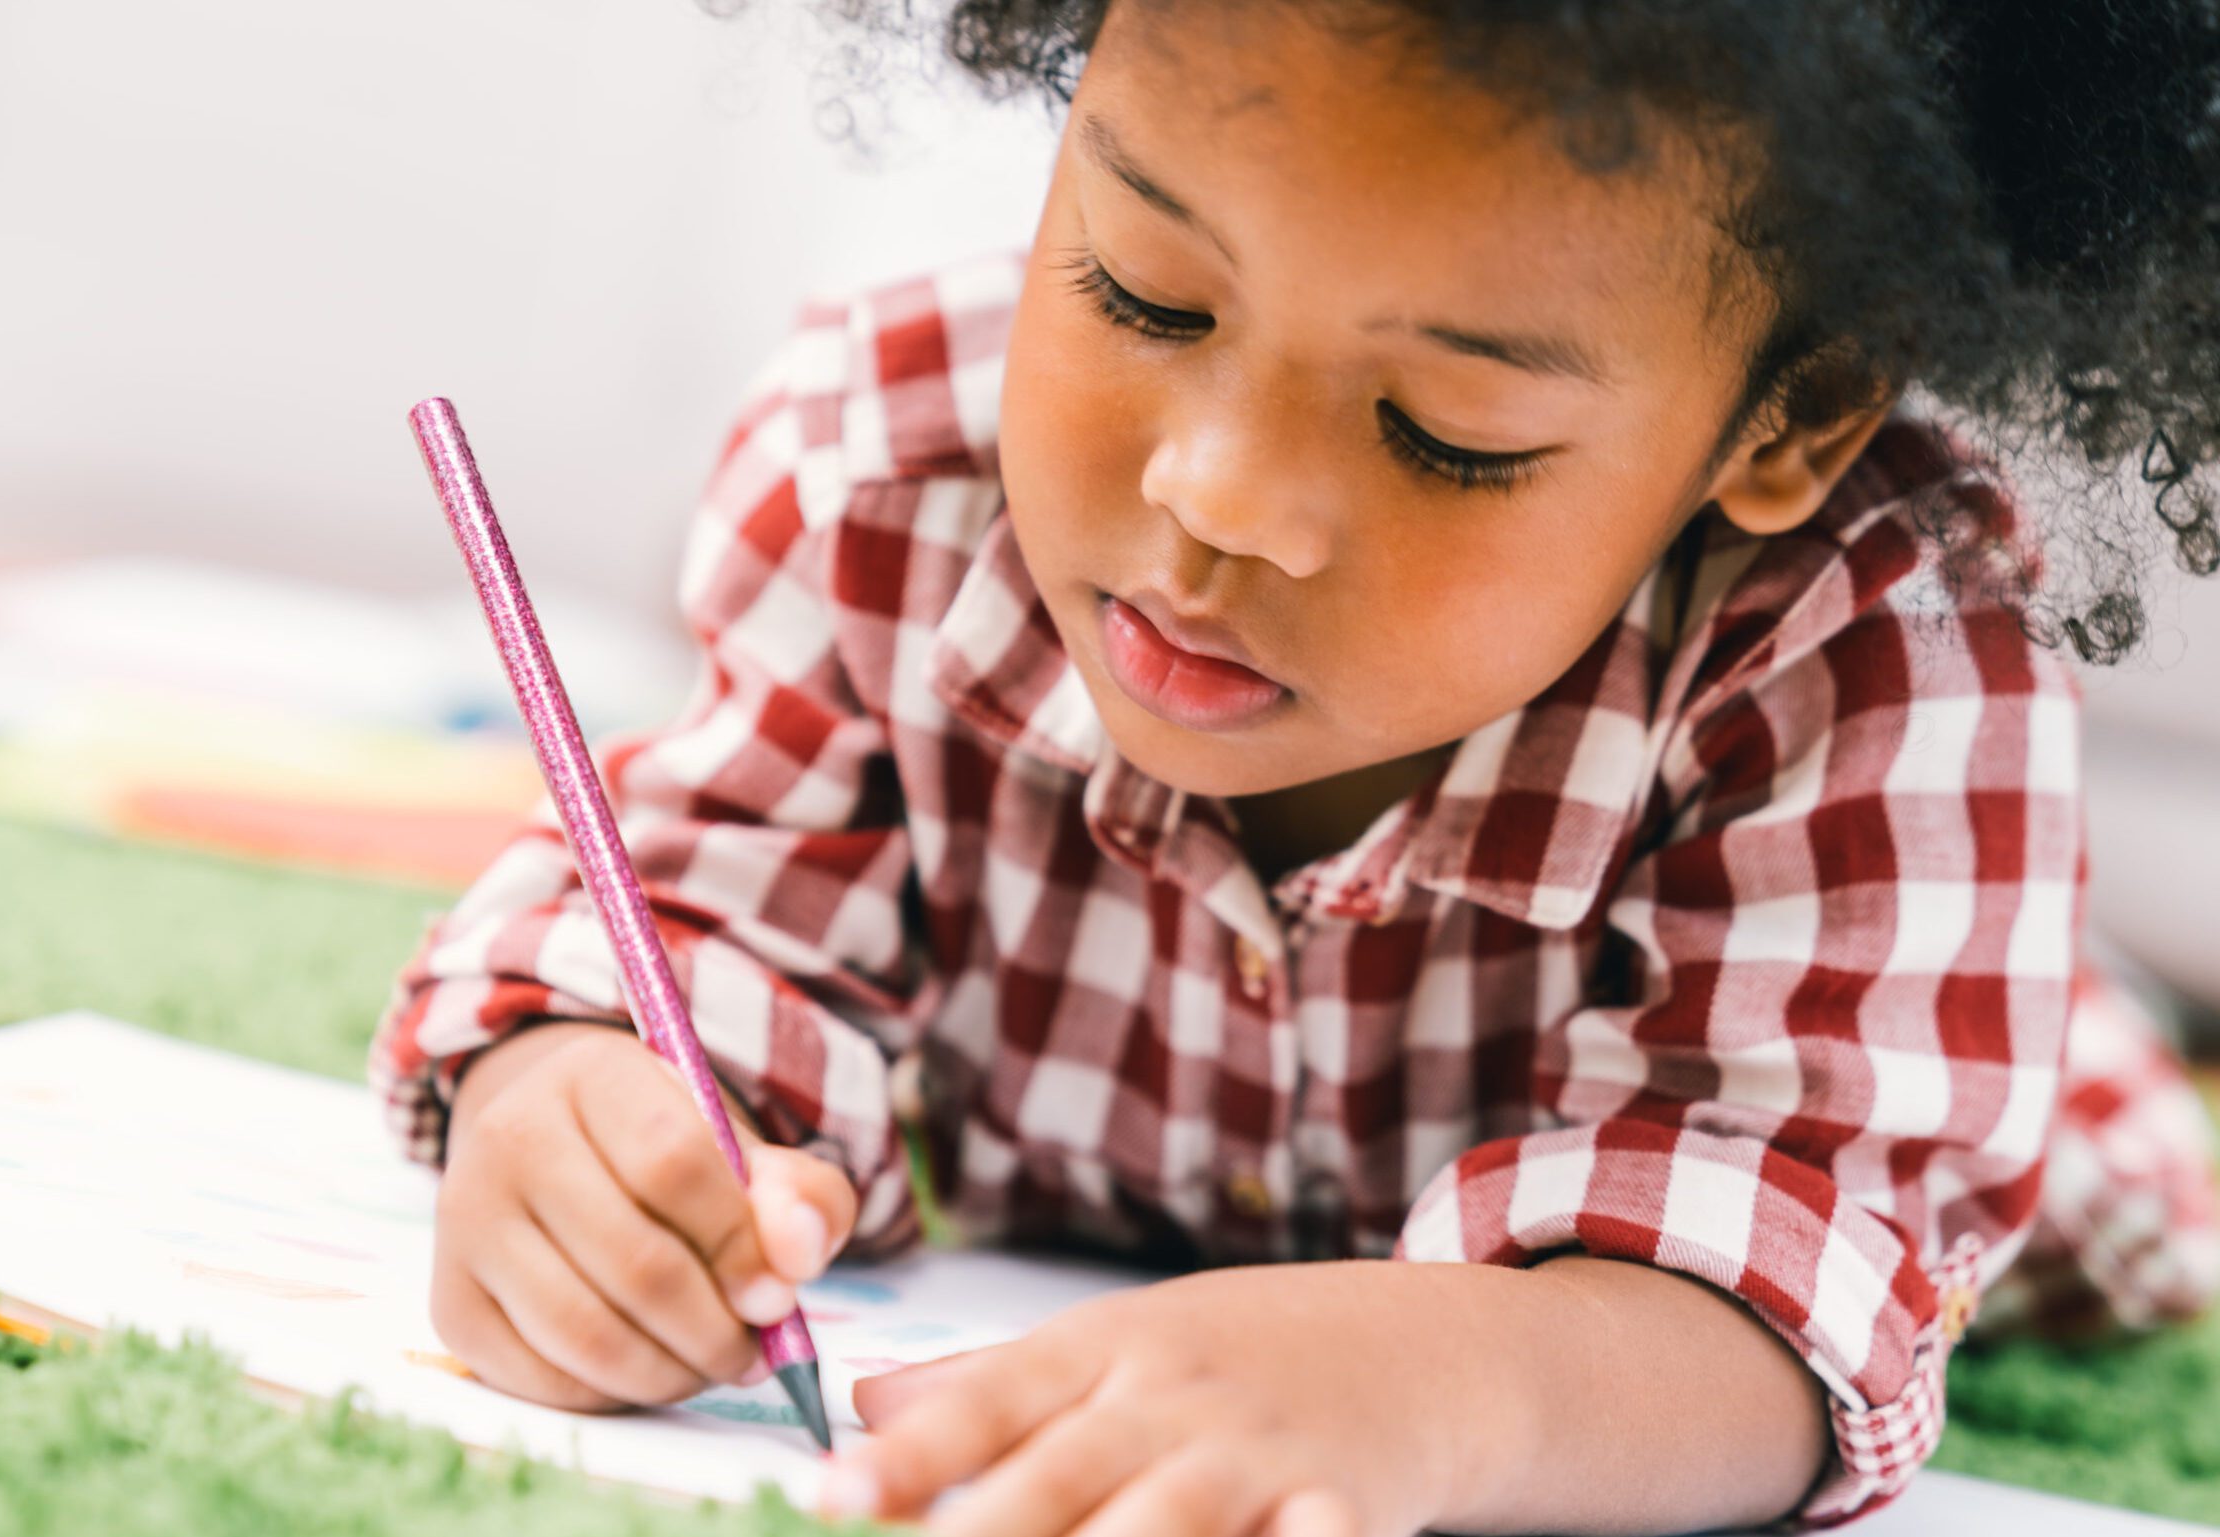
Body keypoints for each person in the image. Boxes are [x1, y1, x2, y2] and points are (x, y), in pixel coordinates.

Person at [368, 1, 2220, 1530]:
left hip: (1957, 1061)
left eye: (1447, 431)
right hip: (1154, 1174)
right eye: (1150, 293)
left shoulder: (1866, 643)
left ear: (1790, 419)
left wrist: (1447, 1381)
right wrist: (581, 1103)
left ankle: (2109, 991)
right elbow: (702, 913)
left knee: (2130, 1182)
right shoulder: (879, 465)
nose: (1217, 495)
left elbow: (1816, 1263)